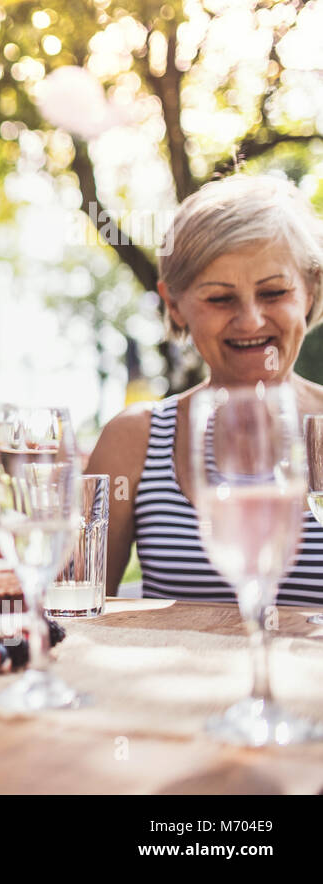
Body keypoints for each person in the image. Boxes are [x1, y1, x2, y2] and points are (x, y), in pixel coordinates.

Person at [87, 173, 323, 606]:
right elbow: (71, 610)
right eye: (220, 298)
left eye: (273, 292)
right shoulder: (133, 441)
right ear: (173, 305)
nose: (251, 320)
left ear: (310, 290)